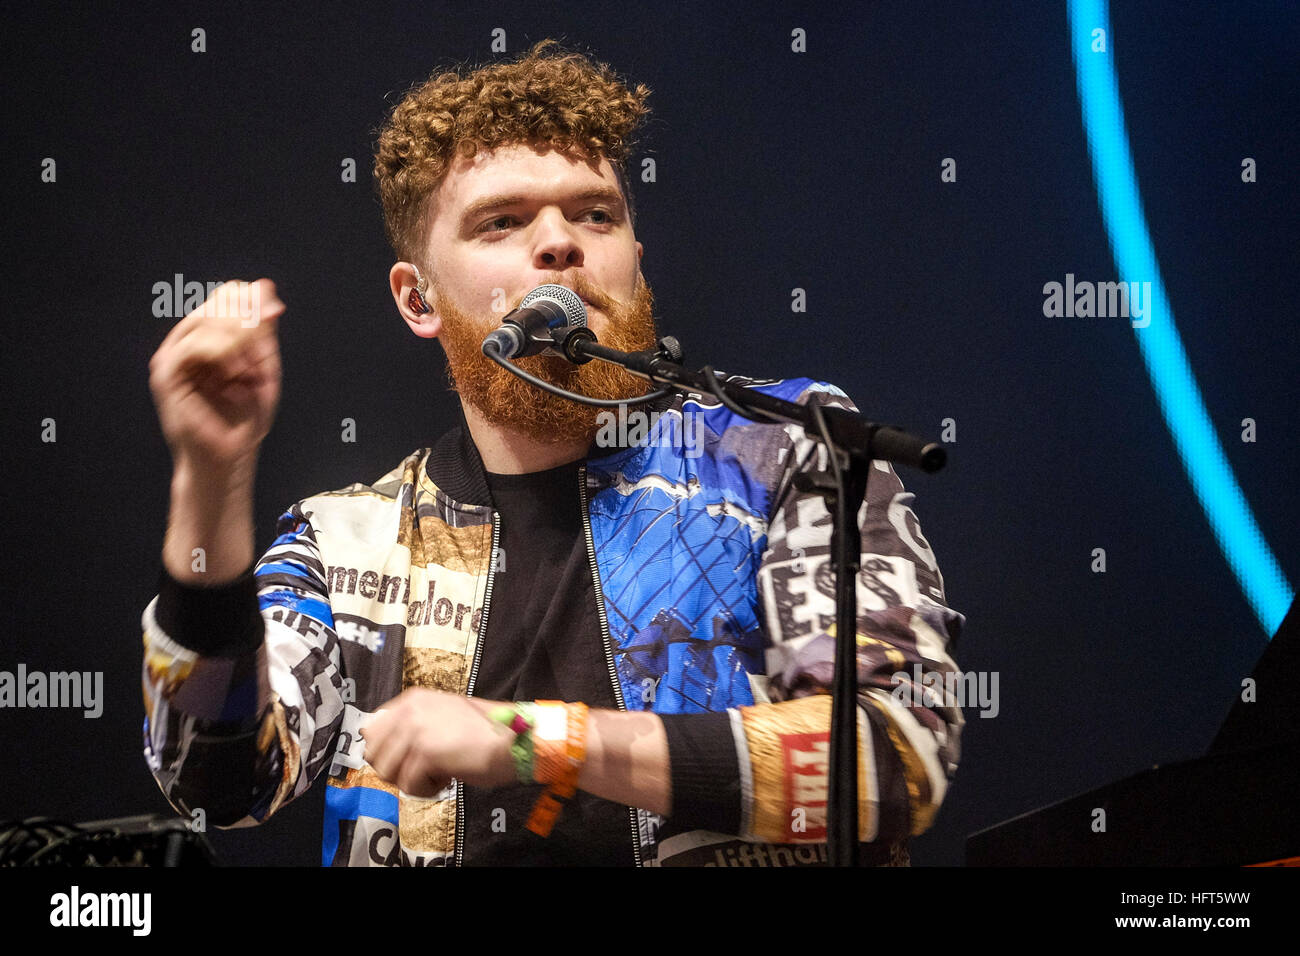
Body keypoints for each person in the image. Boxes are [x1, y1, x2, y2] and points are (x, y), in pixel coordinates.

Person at [141, 39, 964, 867]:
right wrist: (210, 478)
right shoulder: (343, 544)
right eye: (502, 222)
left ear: (635, 264)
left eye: (594, 214)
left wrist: (537, 741)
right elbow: (217, 783)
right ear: (416, 297)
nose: (560, 244)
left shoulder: (785, 448)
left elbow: (896, 757)